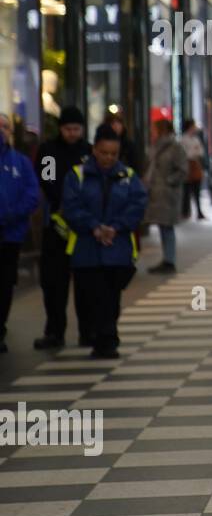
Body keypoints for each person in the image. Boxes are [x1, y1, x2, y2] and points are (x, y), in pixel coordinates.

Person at [62, 124, 147, 359]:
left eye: (114, 154)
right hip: (87, 248)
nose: (109, 158)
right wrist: (94, 227)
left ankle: (107, 339)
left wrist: (115, 227)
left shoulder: (128, 177)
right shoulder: (77, 175)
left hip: (117, 248)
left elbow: (137, 206)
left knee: (111, 296)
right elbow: (71, 207)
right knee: (91, 296)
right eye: (104, 152)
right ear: (94, 151)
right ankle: (99, 336)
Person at [33, 107, 92, 350]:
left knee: (86, 284)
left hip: (83, 227)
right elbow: (47, 181)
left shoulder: (89, 151)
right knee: (53, 284)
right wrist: (66, 202)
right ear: (60, 129)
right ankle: (55, 331)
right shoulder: (48, 151)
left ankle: (88, 332)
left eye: (76, 129)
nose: (72, 134)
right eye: (68, 129)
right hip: (57, 226)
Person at [0, 113, 39, 355]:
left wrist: (13, 215)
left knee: (5, 284)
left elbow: (33, 192)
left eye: (5, 127)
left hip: (11, 235)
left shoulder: (21, 162)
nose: (1, 131)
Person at [143, 118, 188, 274]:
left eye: (154, 129)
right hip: (157, 193)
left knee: (167, 227)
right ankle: (167, 259)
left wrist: (168, 182)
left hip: (167, 194)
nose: (152, 132)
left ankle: (169, 260)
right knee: (163, 226)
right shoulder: (155, 147)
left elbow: (182, 170)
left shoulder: (174, 147)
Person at [179, 118, 207, 220]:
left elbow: (201, 152)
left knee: (196, 191)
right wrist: (194, 152)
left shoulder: (196, 139)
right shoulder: (183, 139)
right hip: (187, 166)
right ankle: (185, 212)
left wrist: (194, 152)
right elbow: (185, 154)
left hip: (195, 165)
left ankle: (198, 212)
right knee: (186, 191)